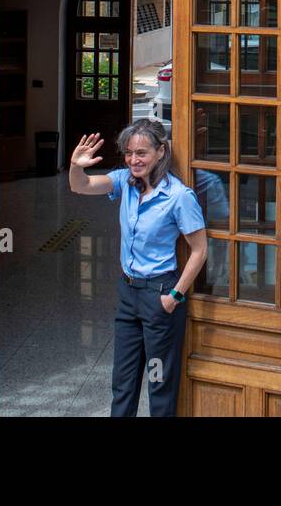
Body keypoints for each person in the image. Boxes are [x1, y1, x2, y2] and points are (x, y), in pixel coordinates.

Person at [68, 119, 206, 417]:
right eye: (129, 153)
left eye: (141, 152)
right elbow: (80, 186)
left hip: (160, 296)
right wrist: (76, 165)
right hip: (129, 294)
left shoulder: (179, 197)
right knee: (123, 381)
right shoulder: (124, 182)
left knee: (159, 383)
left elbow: (199, 250)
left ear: (161, 152)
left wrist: (175, 297)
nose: (134, 159)